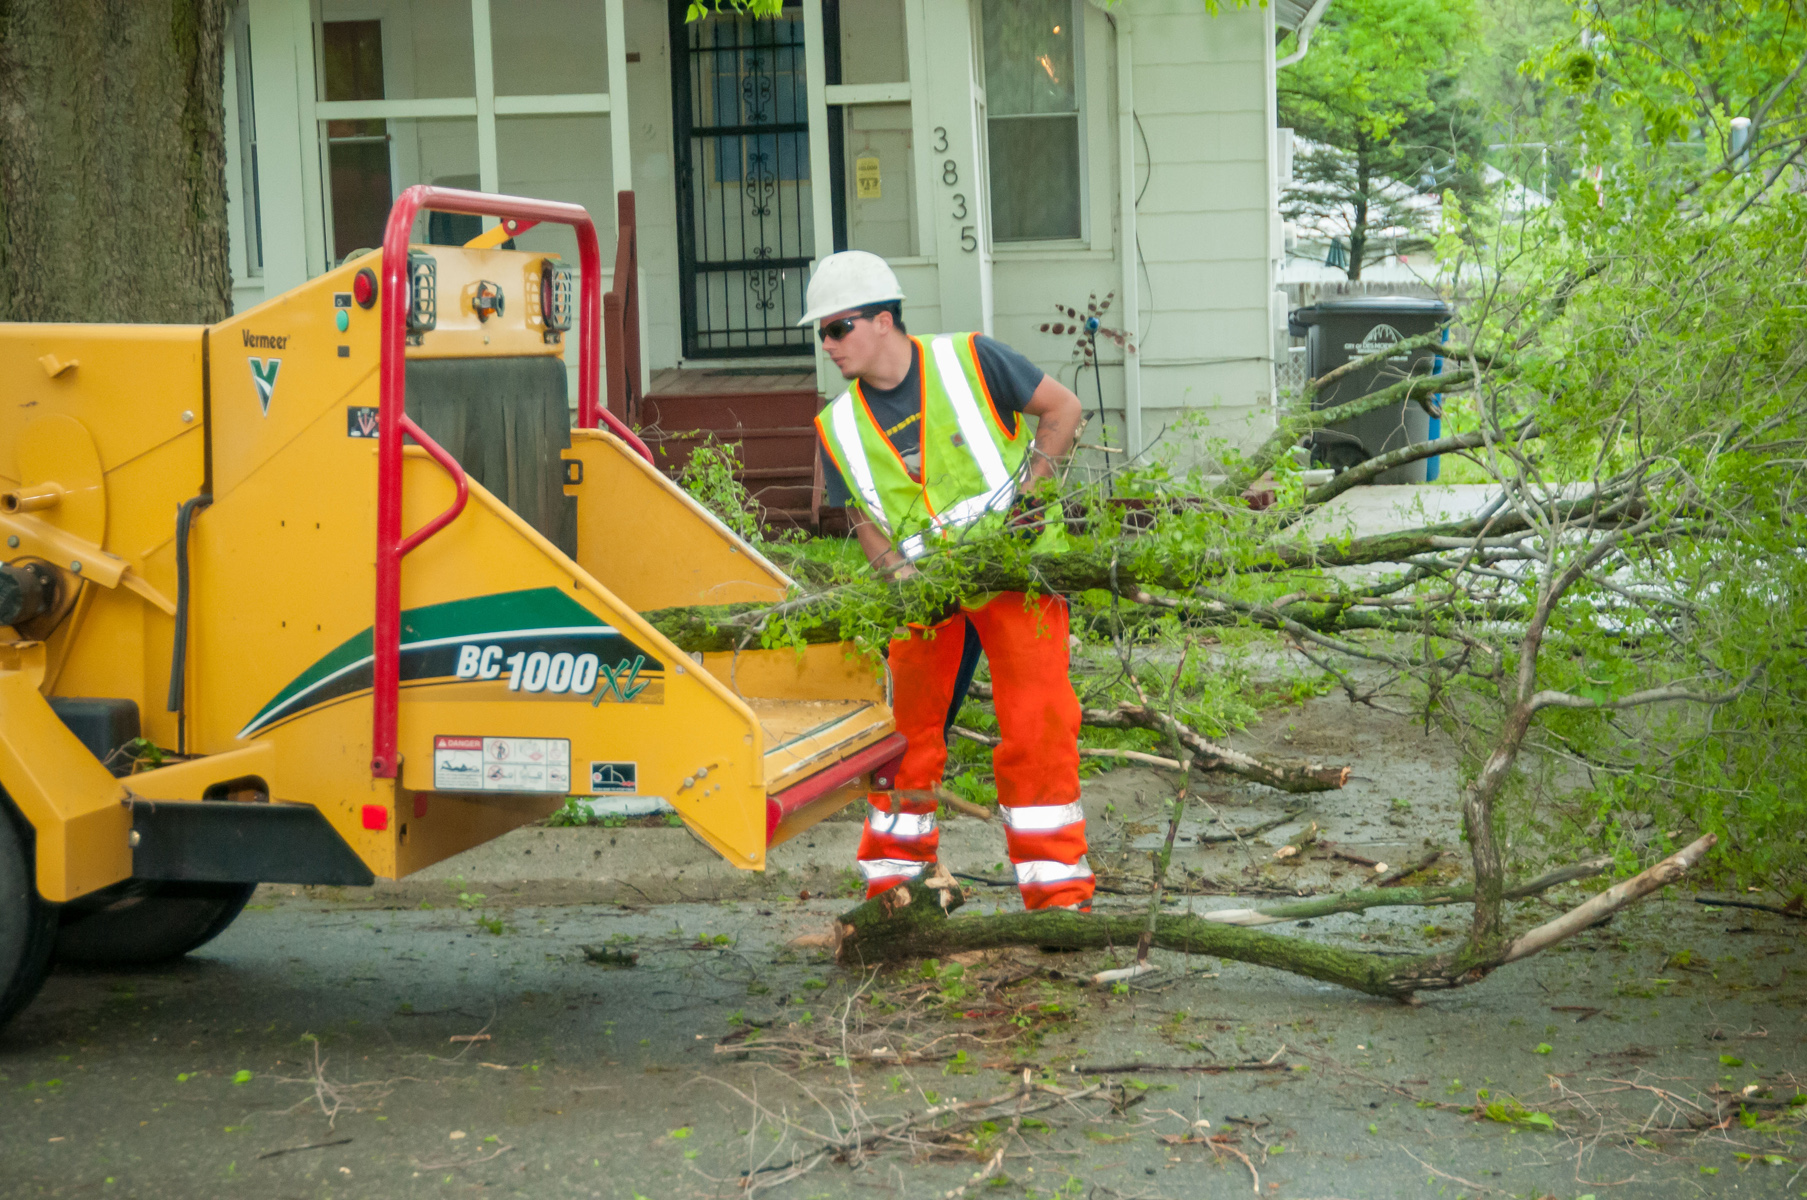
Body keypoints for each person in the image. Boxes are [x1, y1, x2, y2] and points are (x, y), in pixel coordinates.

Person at [802, 251, 1094, 911]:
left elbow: (1062, 411)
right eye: (819, 332)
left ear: (883, 320)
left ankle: (1058, 897)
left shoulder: (972, 359)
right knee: (904, 735)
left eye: (837, 327)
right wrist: (902, 579)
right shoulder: (837, 425)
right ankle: (897, 890)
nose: (827, 344)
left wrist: (1029, 500)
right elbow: (863, 519)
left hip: (1015, 577)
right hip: (926, 592)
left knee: (1037, 725)